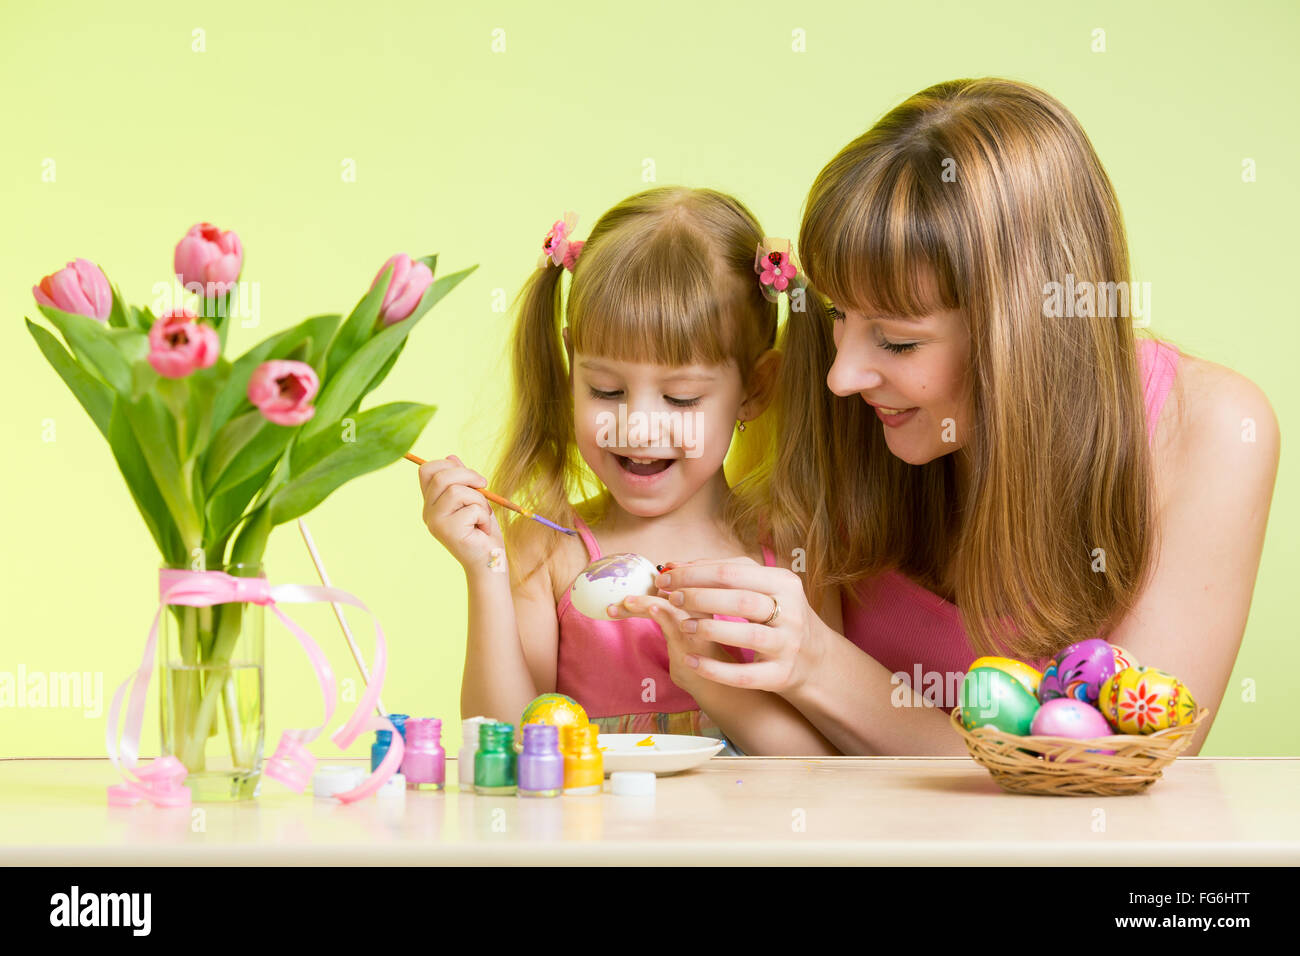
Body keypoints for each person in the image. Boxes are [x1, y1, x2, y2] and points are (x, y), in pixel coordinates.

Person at [617, 78, 1279, 756]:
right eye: (838, 316)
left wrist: (817, 663)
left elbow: (1106, 780)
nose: (841, 378)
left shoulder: (1210, 432)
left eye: (899, 341)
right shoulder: (842, 398)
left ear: (1022, 334)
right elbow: (812, 781)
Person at [417, 187, 838, 756]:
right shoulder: (547, 551)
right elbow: (510, 745)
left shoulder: (791, 549)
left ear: (755, 388)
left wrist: (707, 676)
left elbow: (823, 768)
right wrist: (484, 568)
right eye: (606, 390)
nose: (637, 427)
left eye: (682, 398)